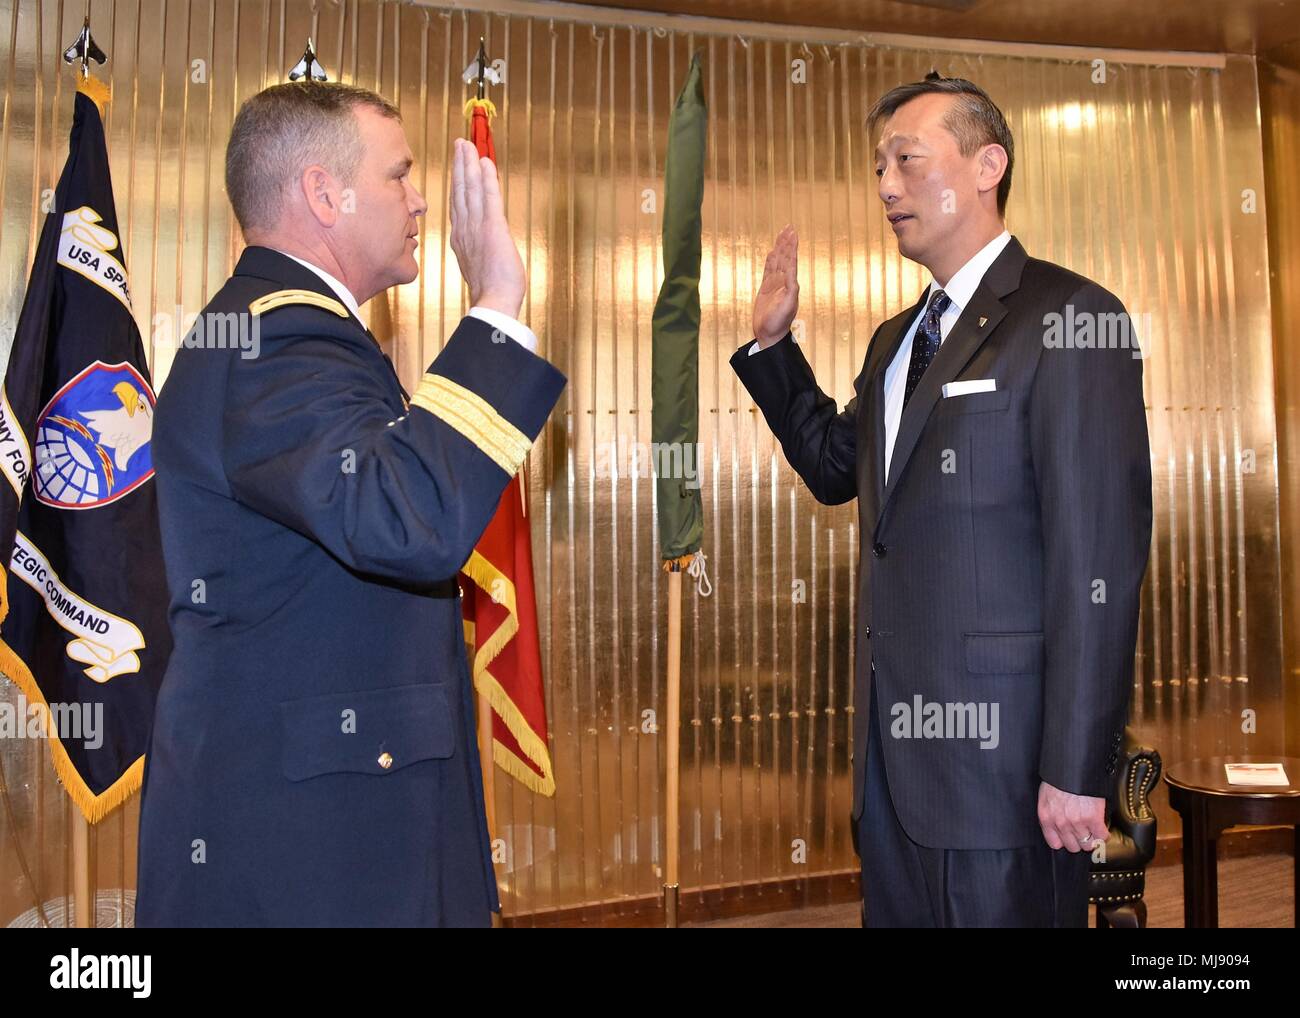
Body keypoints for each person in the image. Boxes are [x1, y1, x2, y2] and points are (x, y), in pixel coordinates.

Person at [135, 81, 565, 927]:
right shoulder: (276, 338)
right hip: (309, 846)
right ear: (324, 195)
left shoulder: (296, 333)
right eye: (398, 175)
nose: (419, 200)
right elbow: (406, 518)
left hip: (333, 818)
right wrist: (496, 306)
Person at [731, 73, 1151, 927]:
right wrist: (774, 347)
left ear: (988, 166)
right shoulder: (898, 339)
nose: (886, 186)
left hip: (1007, 773)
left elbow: (1097, 564)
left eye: (907, 160)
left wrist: (1077, 766)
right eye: (878, 167)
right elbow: (836, 468)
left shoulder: (1070, 317)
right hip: (895, 769)